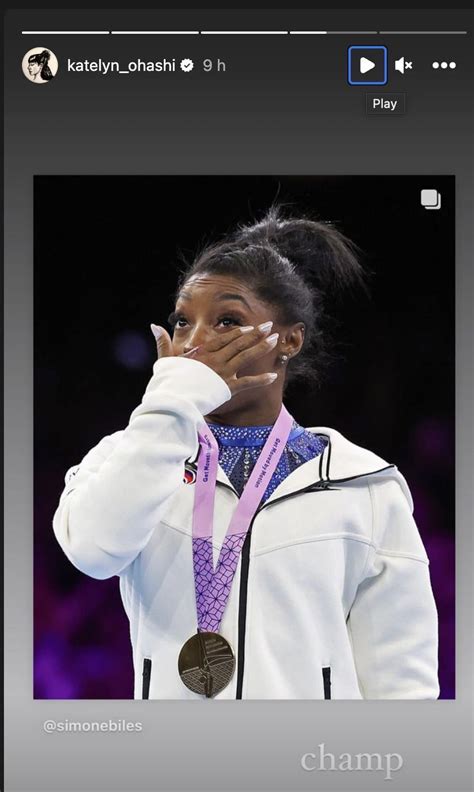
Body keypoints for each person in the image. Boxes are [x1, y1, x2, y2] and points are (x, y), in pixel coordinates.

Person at [52, 206, 440, 700]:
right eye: (182, 322)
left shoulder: (364, 486)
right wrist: (173, 402)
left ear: (290, 340)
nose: (195, 343)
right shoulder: (134, 456)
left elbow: (402, 684)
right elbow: (92, 550)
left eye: (227, 321)